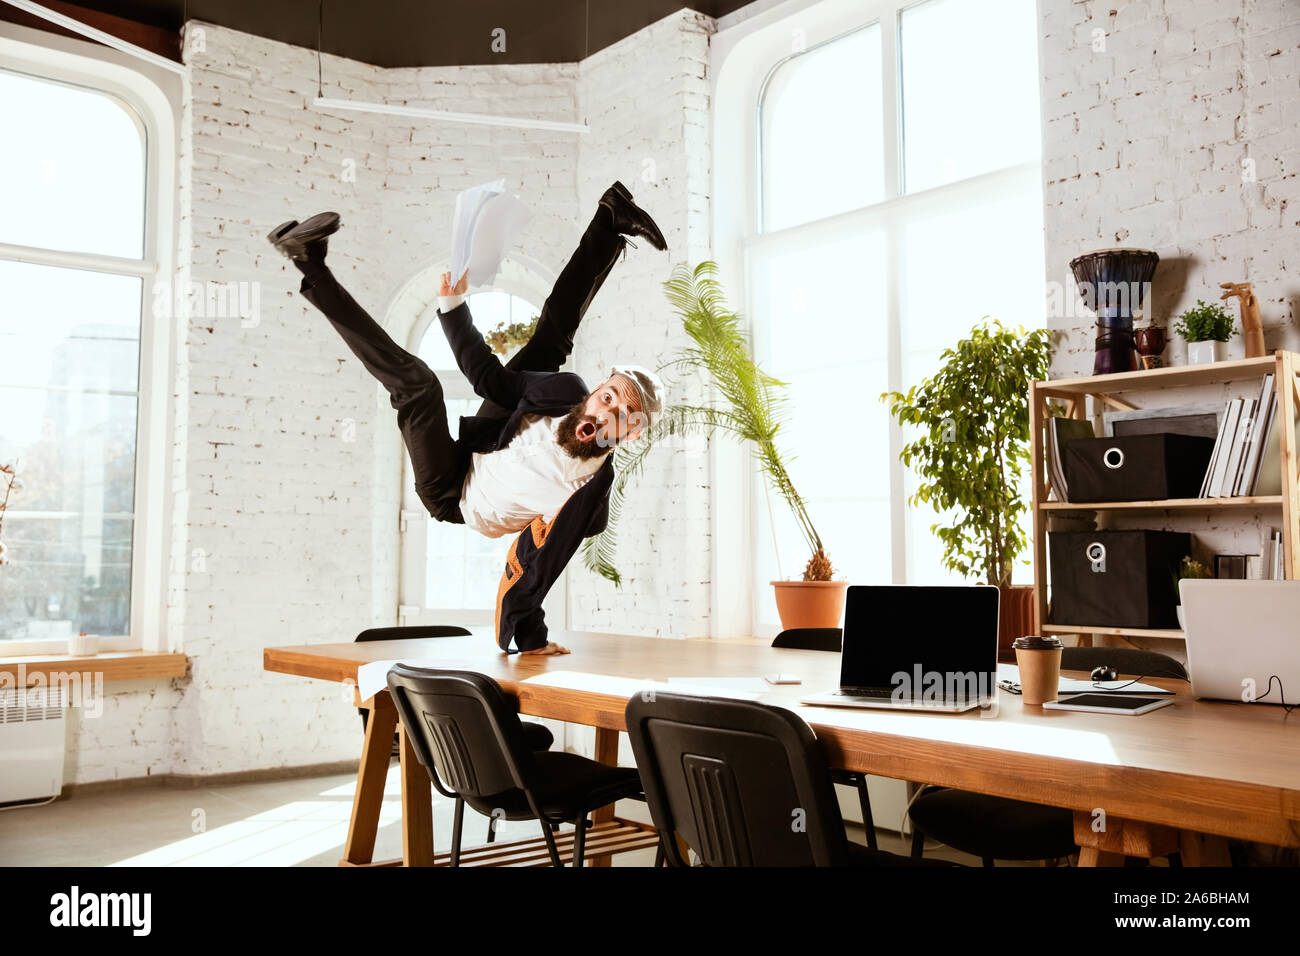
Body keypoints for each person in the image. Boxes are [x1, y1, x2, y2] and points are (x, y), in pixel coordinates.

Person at [268, 181, 667, 656]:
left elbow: (546, 562)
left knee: (418, 387)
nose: (605, 413)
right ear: (597, 391)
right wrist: (453, 307)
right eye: (607, 398)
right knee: (551, 342)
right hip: (478, 452)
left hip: (452, 492)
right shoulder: (566, 395)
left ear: (633, 432)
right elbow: (490, 382)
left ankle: (313, 269)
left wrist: (531, 637)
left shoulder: (589, 490)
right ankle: (610, 219)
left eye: (622, 414)